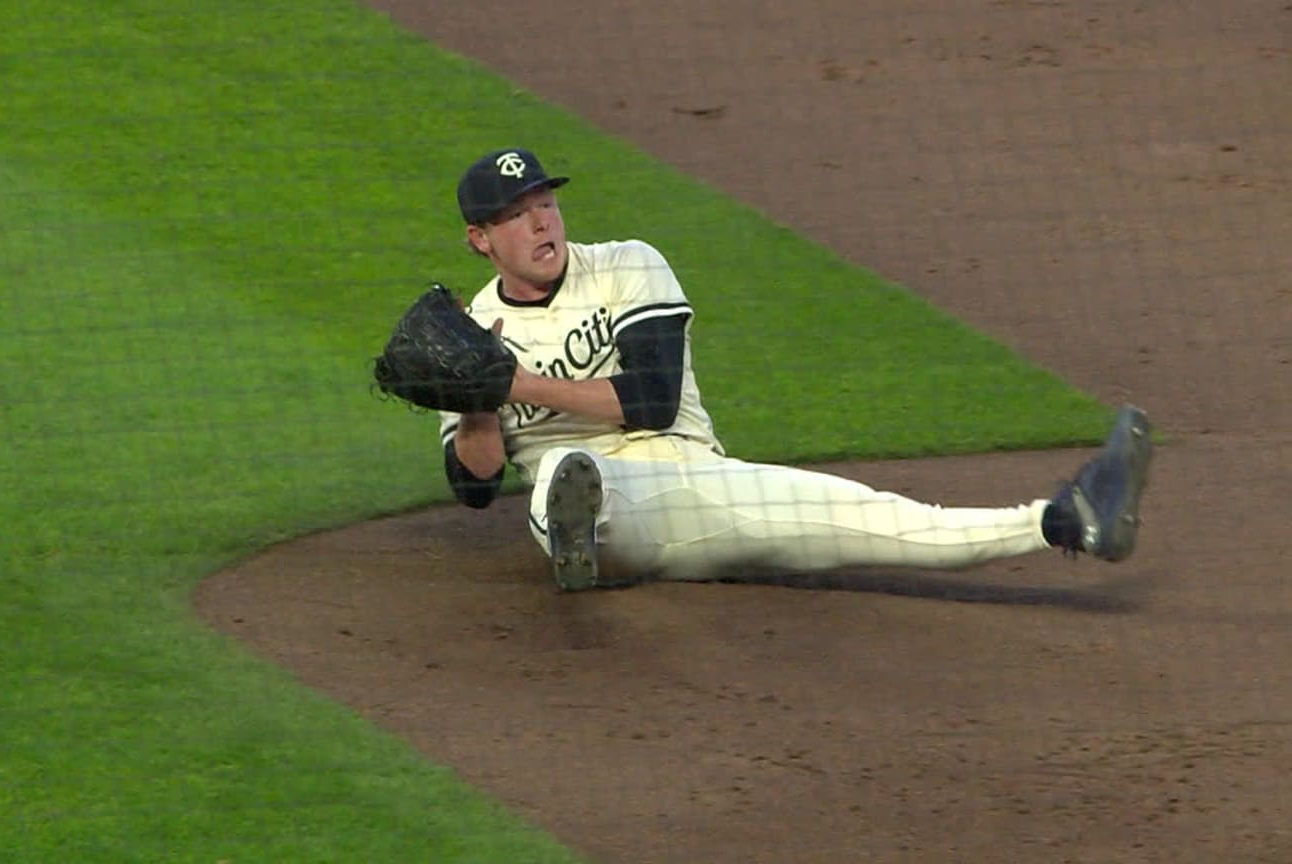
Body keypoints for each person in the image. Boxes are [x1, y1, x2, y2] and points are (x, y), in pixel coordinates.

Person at [438, 147, 1153, 590]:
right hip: (599, 512)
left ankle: (1064, 520)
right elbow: (474, 488)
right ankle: (578, 533)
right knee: (560, 479)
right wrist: (475, 403)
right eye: (516, 216)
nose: (542, 225)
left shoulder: (627, 262)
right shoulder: (466, 334)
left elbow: (653, 400)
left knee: (874, 517)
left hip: (693, 483)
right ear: (480, 239)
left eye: (547, 204)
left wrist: (515, 386)